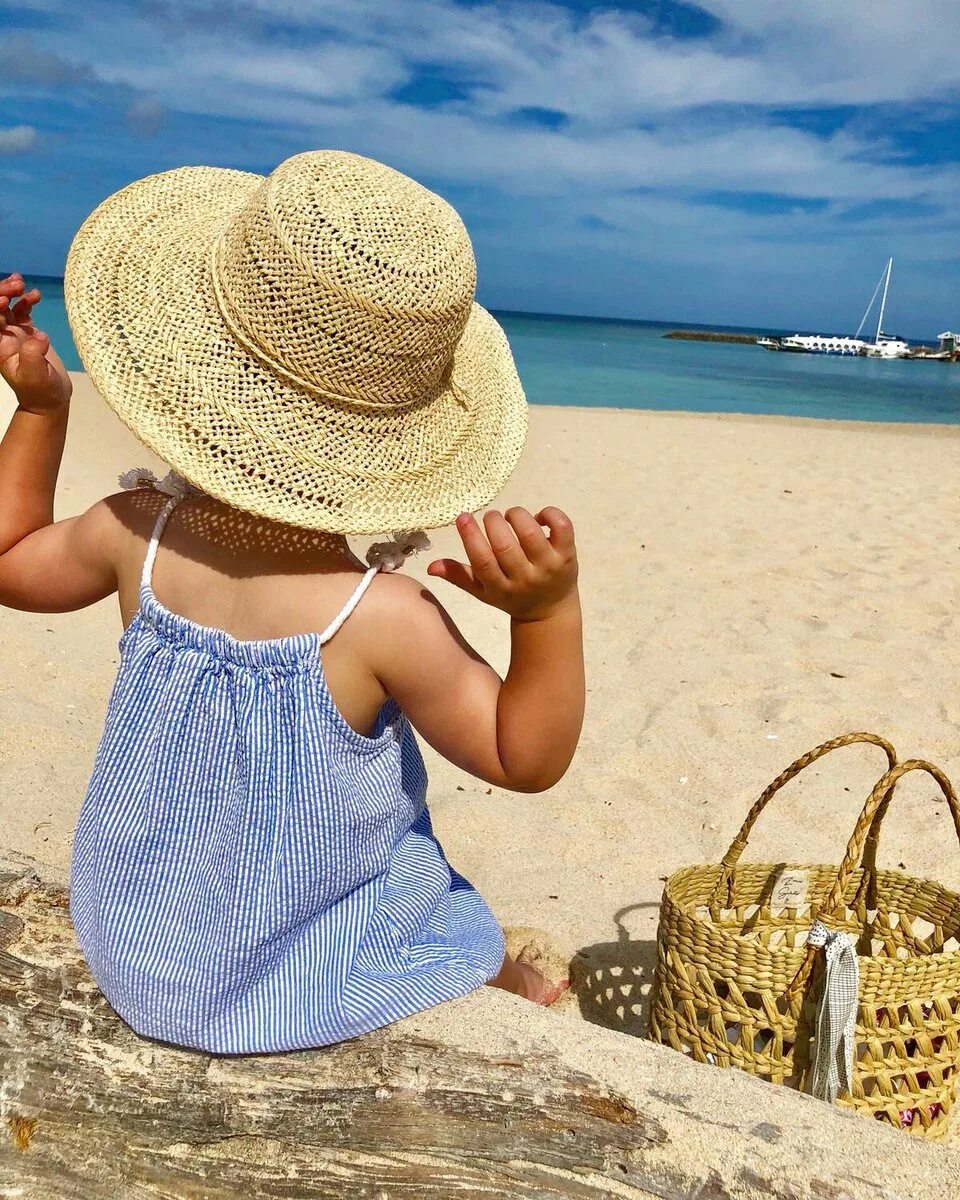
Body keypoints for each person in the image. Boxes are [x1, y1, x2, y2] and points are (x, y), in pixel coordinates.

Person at [0, 150, 585, 1054]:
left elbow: (9, 560)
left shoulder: (133, 531)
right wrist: (547, 615)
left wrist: (41, 410)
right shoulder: (381, 615)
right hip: (287, 969)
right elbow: (524, 755)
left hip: (141, 941)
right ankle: (507, 979)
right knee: (443, 915)